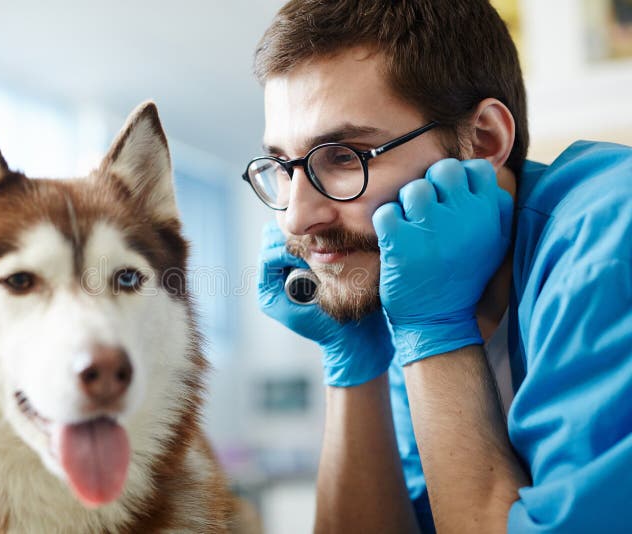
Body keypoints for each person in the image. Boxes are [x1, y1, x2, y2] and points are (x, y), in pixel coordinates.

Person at [243, 1, 632, 532]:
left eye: (342, 157)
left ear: (485, 141)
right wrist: (354, 363)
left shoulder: (610, 242)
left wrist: (433, 329)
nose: (297, 218)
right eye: (285, 168)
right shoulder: (411, 289)